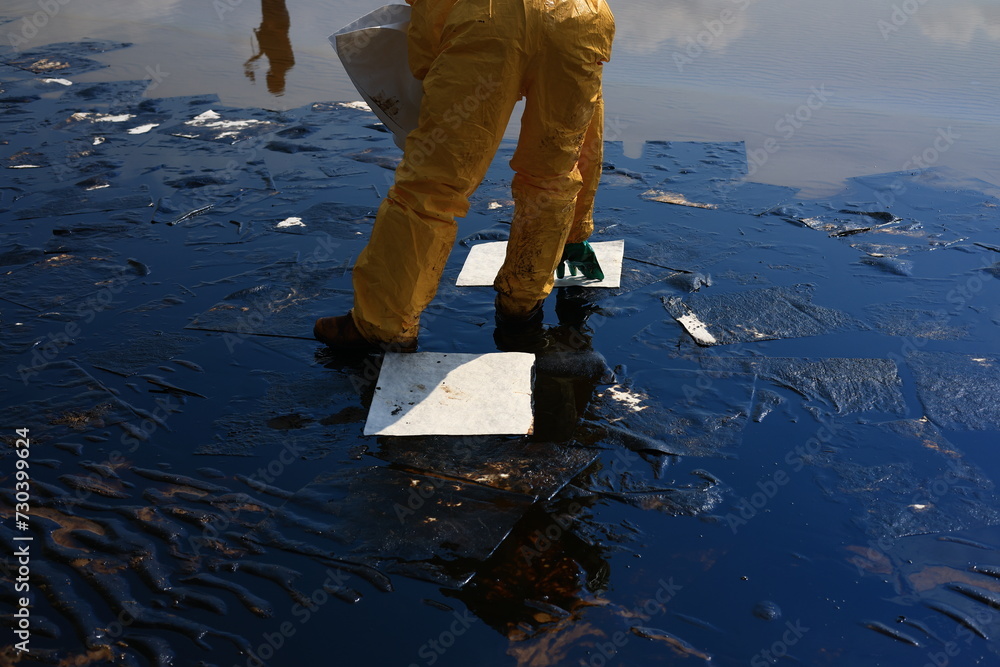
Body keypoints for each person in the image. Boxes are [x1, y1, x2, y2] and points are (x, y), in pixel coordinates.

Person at [314, 0, 615, 352]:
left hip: (487, 17)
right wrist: (576, 235)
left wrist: (430, 71)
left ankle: (384, 323)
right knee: (553, 176)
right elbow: (588, 144)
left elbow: (427, 27)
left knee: (432, 186)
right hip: (581, 20)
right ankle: (521, 305)